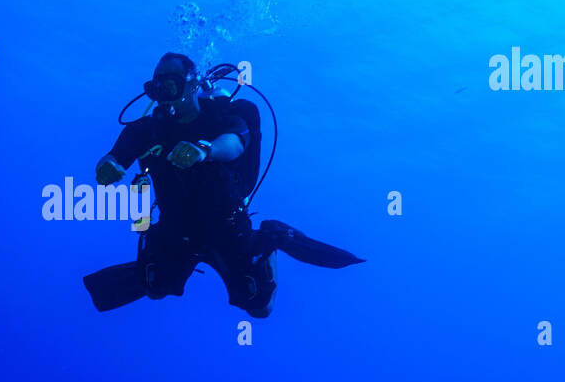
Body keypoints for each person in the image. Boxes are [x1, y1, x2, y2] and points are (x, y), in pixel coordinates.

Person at [83, 52, 363, 317]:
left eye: (170, 85)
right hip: (175, 231)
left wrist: (206, 150)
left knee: (258, 307)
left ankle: (271, 237)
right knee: (154, 288)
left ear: (192, 84)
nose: (162, 96)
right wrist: (108, 166)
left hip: (227, 230)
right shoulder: (145, 130)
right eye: (155, 88)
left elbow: (236, 142)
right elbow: (116, 154)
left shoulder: (223, 117)